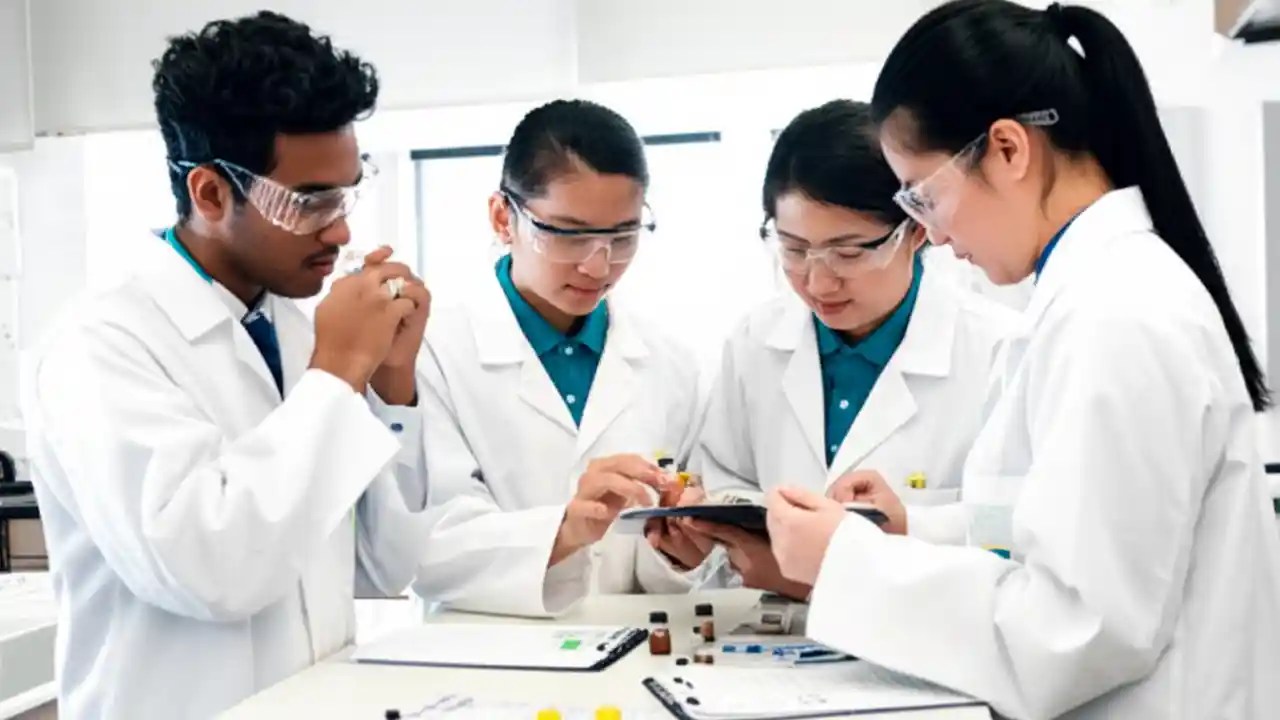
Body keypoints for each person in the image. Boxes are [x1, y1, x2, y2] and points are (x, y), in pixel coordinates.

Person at [764, 2, 1280, 718]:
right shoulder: (1090, 298)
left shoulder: (1116, 316)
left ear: (1008, 150)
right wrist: (910, 528)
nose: (933, 238)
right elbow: (1054, 533)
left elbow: (1078, 630)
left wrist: (846, 564)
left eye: (924, 196)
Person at [20, 13, 435, 718]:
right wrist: (336, 376)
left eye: (345, 192)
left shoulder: (299, 330)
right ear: (211, 193)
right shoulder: (99, 345)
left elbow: (387, 565)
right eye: (309, 202)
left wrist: (391, 387)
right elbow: (209, 571)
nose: (340, 229)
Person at [649, 100, 1014, 600]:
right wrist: (701, 541)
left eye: (847, 253)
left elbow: (1017, 536)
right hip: (766, 649)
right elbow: (722, 484)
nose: (818, 282)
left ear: (915, 231)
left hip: (923, 649)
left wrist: (911, 525)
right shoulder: (756, 342)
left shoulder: (999, 350)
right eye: (794, 250)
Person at [411, 99, 700, 617]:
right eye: (568, 234)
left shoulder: (670, 365)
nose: (599, 264)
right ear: (504, 217)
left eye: (623, 235)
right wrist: (565, 531)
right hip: (483, 661)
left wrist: (679, 551)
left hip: (631, 659)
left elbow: (670, 574)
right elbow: (423, 550)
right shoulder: (430, 352)